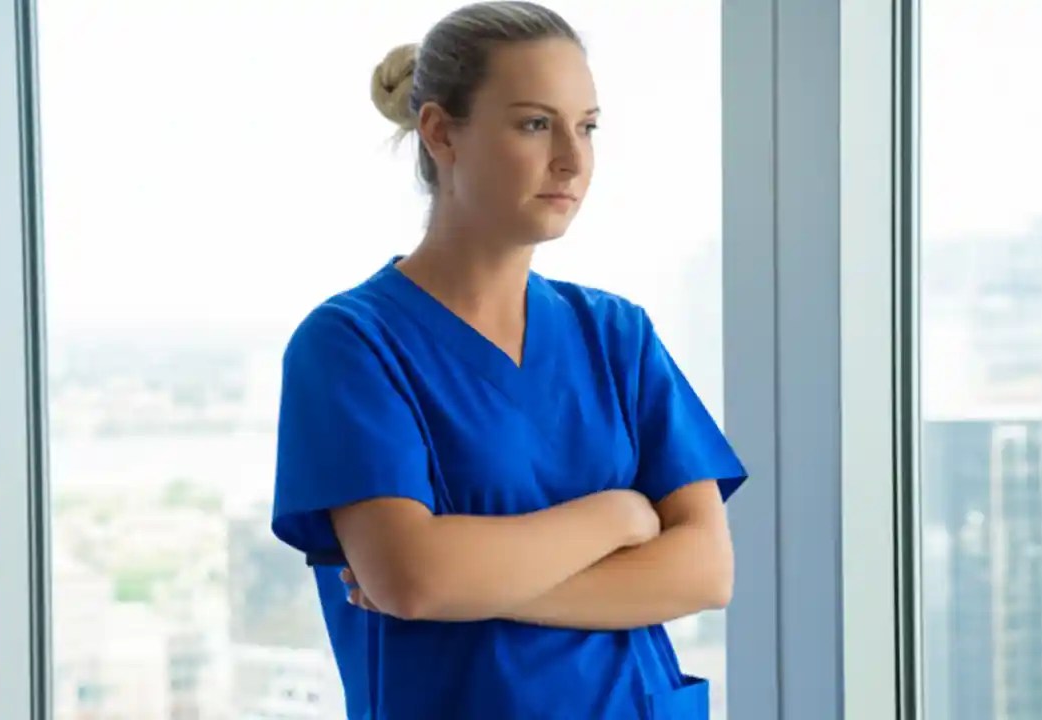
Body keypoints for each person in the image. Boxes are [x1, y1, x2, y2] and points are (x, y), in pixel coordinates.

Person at [270, 2, 749, 718]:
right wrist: (617, 518)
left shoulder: (615, 334)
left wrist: (476, 584)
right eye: (535, 123)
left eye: (586, 126)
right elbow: (415, 578)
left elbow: (706, 572)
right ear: (440, 132)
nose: (573, 158)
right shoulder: (351, 345)